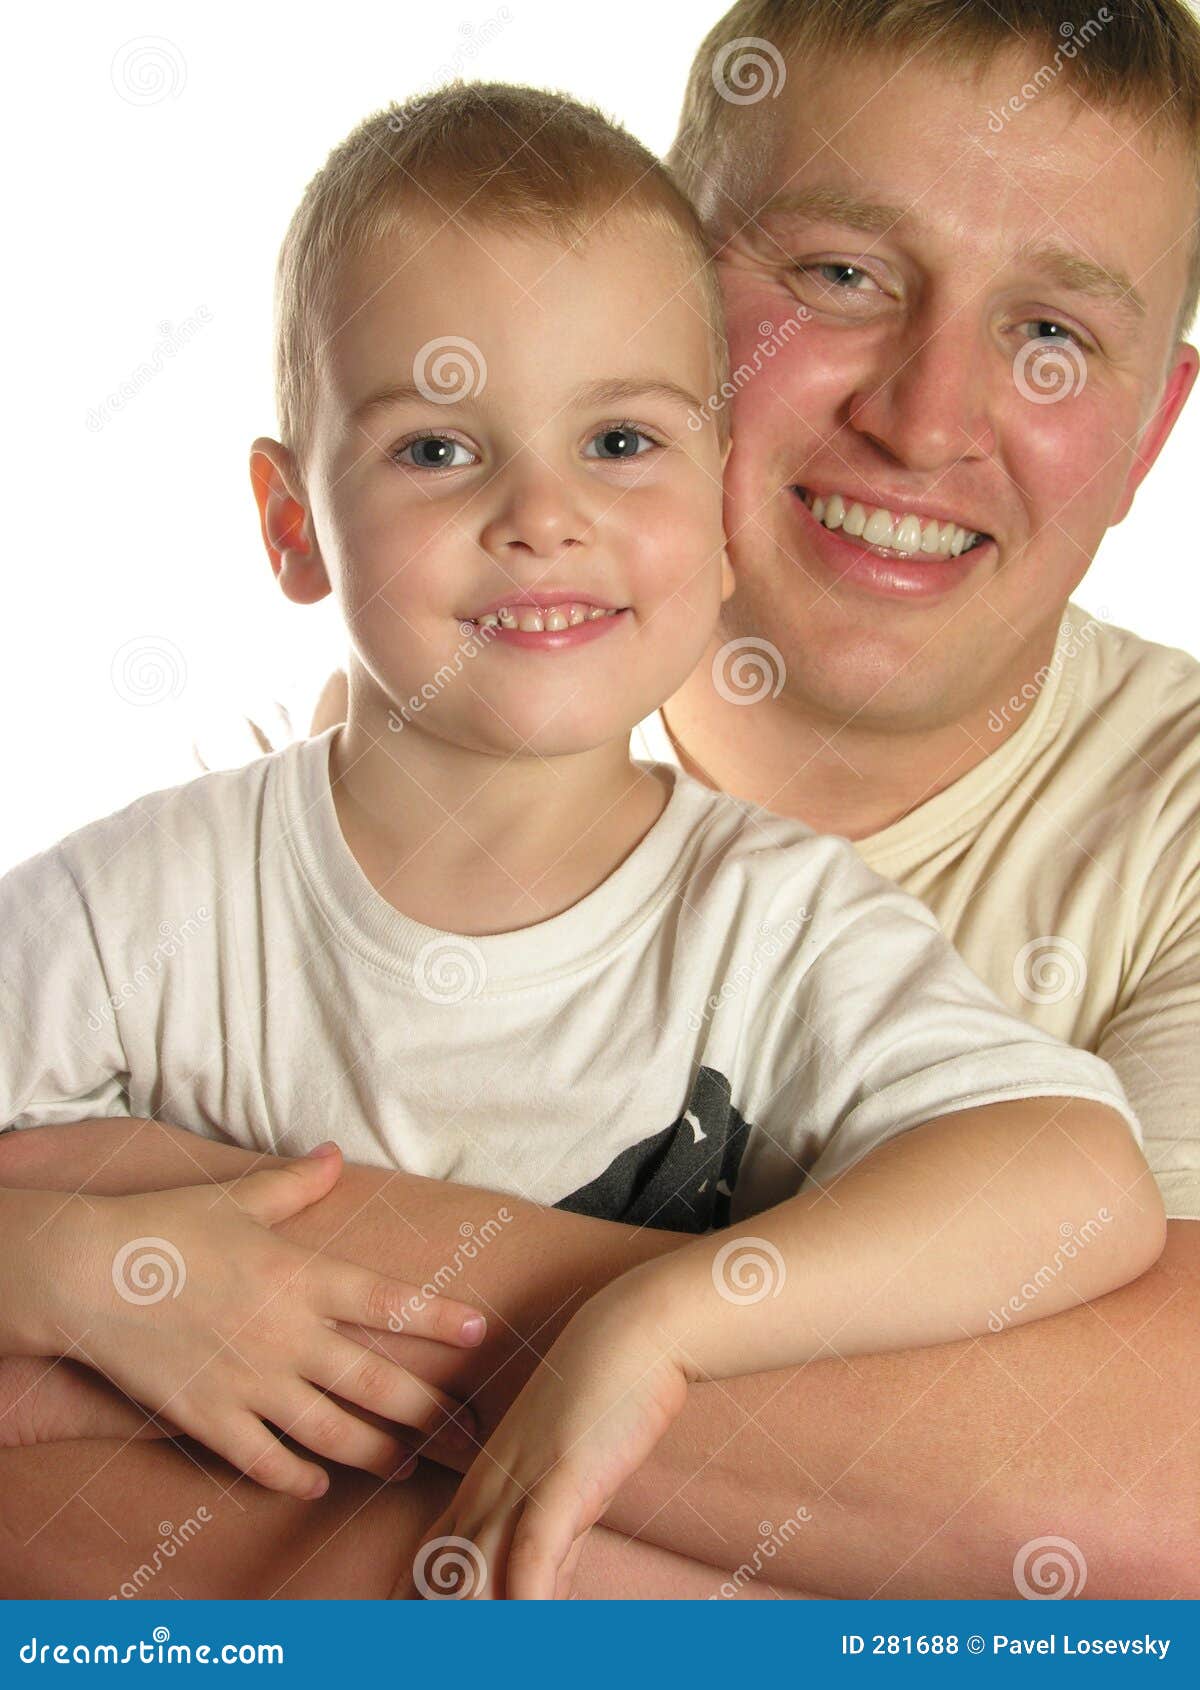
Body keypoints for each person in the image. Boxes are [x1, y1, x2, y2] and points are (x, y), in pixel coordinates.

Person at [3, 0, 1199, 1600]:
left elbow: (1148, 1508)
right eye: (841, 275)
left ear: (1152, 433)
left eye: (1054, 331)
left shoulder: (798, 924)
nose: (923, 418)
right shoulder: (206, 848)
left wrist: (123, 1237)